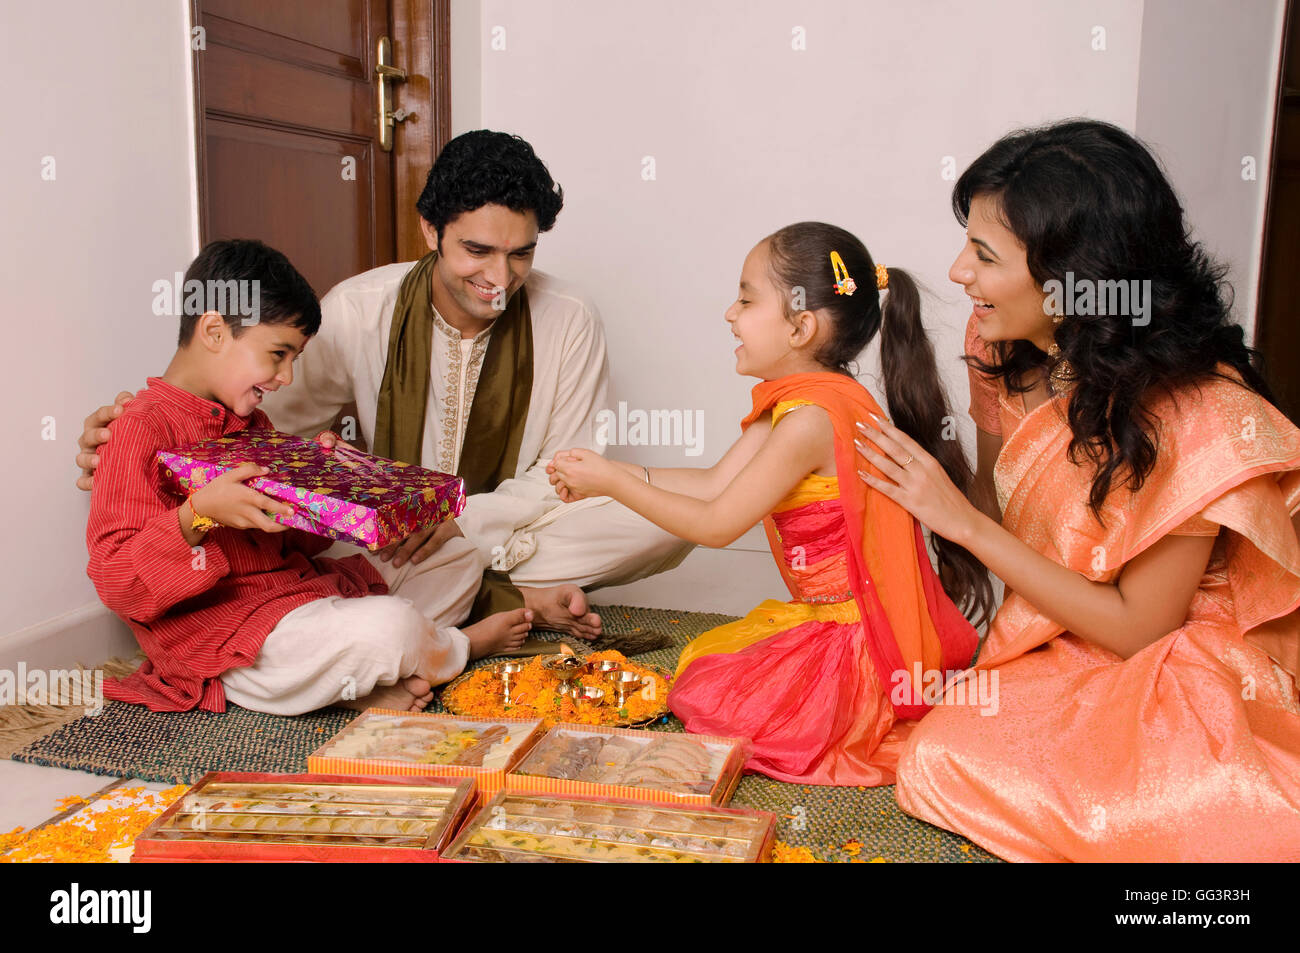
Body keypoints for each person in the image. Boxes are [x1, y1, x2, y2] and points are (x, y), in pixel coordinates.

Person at [856, 119, 1300, 860]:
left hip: (1177, 663)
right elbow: (995, 509)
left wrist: (959, 525)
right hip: (1057, 632)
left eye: (985, 255)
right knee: (938, 757)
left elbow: (1138, 627)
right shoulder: (997, 344)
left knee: (1174, 815)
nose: (958, 271)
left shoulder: (1196, 411)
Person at [76, 131, 692, 640]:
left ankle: (482, 593)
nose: (500, 278)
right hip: (392, 534)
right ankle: (508, 601)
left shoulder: (570, 317)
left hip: (504, 527)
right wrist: (138, 438)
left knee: (662, 521)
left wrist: (461, 520)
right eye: (477, 250)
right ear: (431, 230)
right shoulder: (359, 307)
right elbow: (262, 428)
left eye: (521, 254)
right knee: (331, 560)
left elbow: (567, 469)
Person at [549, 223, 990, 785]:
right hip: (839, 619)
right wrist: (611, 471)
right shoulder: (804, 400)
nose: (730, 314)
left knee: (722, 703)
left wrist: (612, 481)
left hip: (860, 642)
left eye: (746, 298)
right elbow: (714, 483)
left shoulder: (811, 420)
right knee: (712, 674)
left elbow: (716, 524)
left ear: (802, 326)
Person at [87, 239, 532, 715]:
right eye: (278, 354)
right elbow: (117, 582)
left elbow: (293, 547)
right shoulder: (138, 427)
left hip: (297, 597)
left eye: (294, 358)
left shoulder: (254, 427)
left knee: (456, 556)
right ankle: (454, 650)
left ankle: (357, 678)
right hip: (230, 636)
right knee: (390, 626)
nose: (287, 377)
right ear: (214, 331)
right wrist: (198, 516)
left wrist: (326, 484)